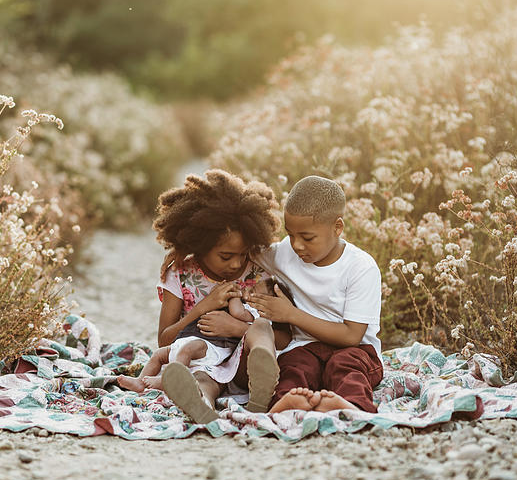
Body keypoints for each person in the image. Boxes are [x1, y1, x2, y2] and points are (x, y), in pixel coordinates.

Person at [115, 169, 285, 424]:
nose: (236, 263)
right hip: (201, 363)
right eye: (226, 256)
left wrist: (237, 328)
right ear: (200, 246)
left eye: (243, 253)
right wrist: (200, 309)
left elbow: (283, 337)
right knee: (201, 381)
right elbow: (165, 339)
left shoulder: (258, 271)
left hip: (243, 365)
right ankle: (202, 405)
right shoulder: (181, 274)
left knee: (260, 326)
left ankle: (262, 389)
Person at [245, 175, 384, 413]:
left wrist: (291, 315)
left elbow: (352, 335)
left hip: (357, 350)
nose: (297, 245)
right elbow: (238, 248)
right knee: (294, 365)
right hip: (305, 347)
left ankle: (352, 406)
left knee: (344, 367)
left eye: (307, 237)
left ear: (337, 227)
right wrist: (184, 253)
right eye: (291, 234)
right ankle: (287, 401)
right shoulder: (285, 253)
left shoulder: (361, 267)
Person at [116, 278, 291, 392]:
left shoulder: (256, 314)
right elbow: (163, 338)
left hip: (215, 347)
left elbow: (237, 313)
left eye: (253, 291)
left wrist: (235, 295)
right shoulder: (179, 276)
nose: (248, 292)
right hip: (198, 339)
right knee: (159, 355)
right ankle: (140, 381)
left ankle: (169, 380)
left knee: (187, 351)